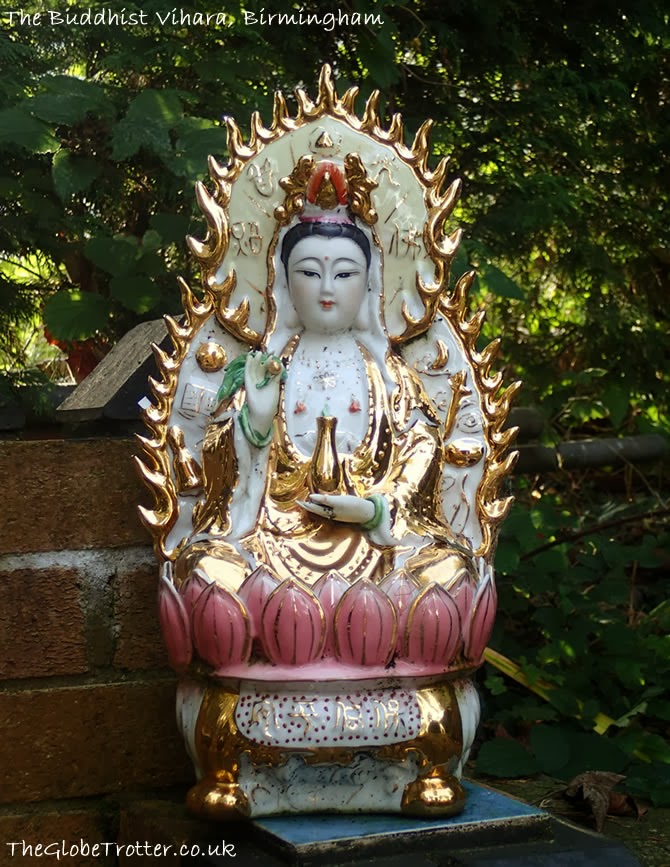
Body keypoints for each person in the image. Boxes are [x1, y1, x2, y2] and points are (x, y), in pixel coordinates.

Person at [180, 164, 475, 593]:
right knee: (207, 570)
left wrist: (378, 509)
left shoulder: (389, 375)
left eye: (344, 273)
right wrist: (256, 425)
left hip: (376, 548)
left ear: (370, 283)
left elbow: (421, 450)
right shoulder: (264, 370)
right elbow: (218, 470)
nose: (326, 289)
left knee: (447, 573)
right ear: (282, 283)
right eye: (309, 273)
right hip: (273, 542)